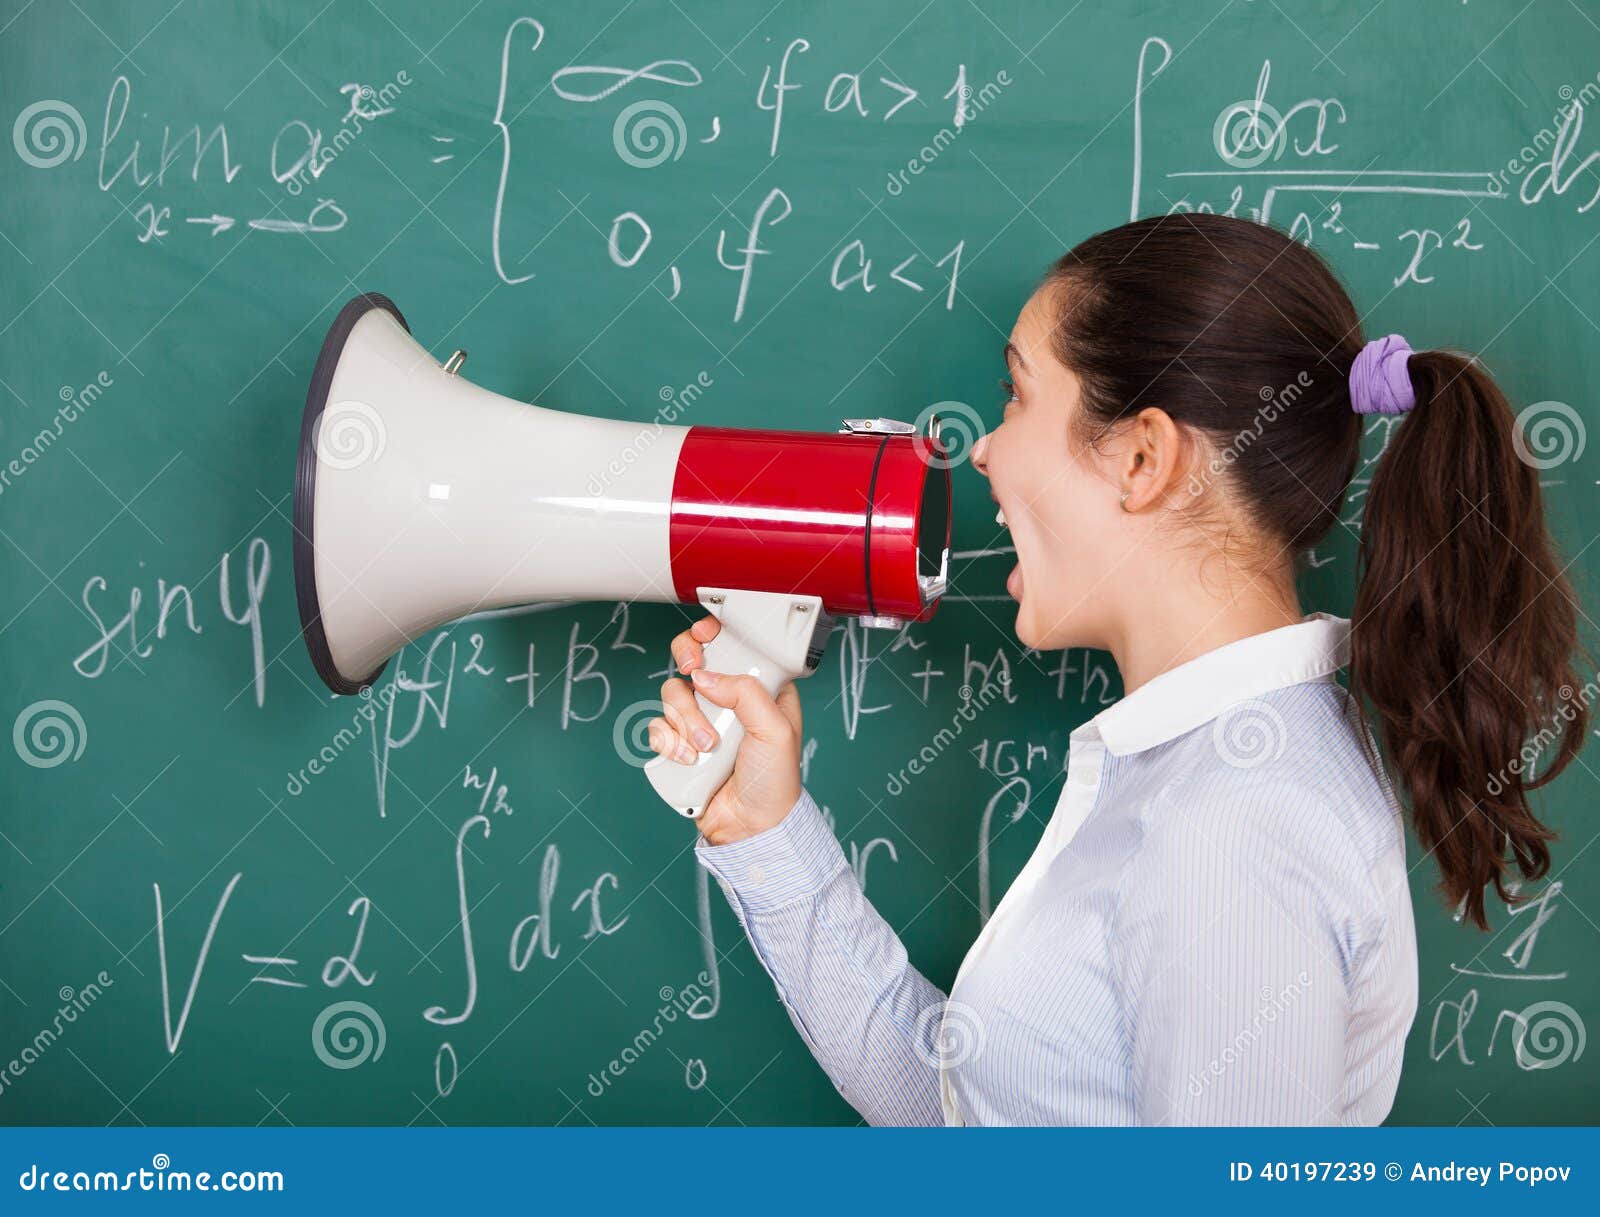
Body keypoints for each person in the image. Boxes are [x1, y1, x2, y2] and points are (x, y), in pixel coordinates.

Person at [646, 213, 1587, 1126]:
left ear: (1142, 458)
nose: (984, 448)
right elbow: (974, 1115)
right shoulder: (1209, 769)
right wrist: (765, 830)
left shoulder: (1236, 826)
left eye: (1017, 395)